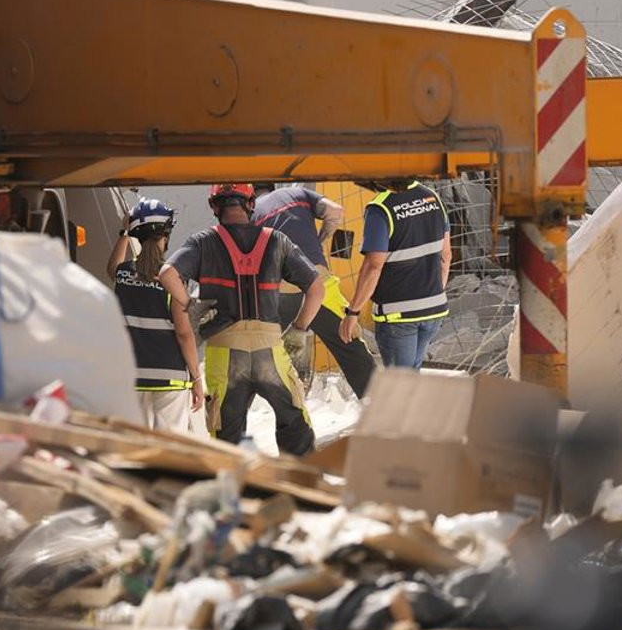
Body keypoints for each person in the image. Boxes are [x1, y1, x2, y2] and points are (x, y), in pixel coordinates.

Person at [160, 183, 326, 456]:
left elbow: (168, 274)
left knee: (226, 439)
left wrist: (191, 304)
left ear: (215, 207)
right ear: (251, 204)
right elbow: (316, 289)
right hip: (269, 351)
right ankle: (299, 486)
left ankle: (232, 493)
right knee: (294, 423)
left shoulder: (202, 241)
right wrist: (299, 329)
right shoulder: (277, 240)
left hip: (225, 354)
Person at [252, 182, 376, 398]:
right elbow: (336, 211)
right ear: (273, 185)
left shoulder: (250, 213)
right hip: (318, 279)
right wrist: (319, 242)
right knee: (349, 340)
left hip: (278, 287)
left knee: (254, 354)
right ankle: (379, 408)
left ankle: (228, 421)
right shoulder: (297, 193)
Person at [109, 197, 203, 432]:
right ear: (166, 235)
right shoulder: (174, 279)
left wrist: (124, 232)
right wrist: (196, 378)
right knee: (169, 452)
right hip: (169, 377)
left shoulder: (123, 275)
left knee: (134, 448)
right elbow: (183, 334)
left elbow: (112, 266)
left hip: (133, 377)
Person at [339, 179, 451, 370]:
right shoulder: (432, 198)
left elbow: (373, 266)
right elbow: (446, 256)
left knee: (399, 385)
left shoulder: (381, 208)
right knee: (409, 381)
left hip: (398, 316)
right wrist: (433, 295)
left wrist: (353, 312)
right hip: (434, 310)